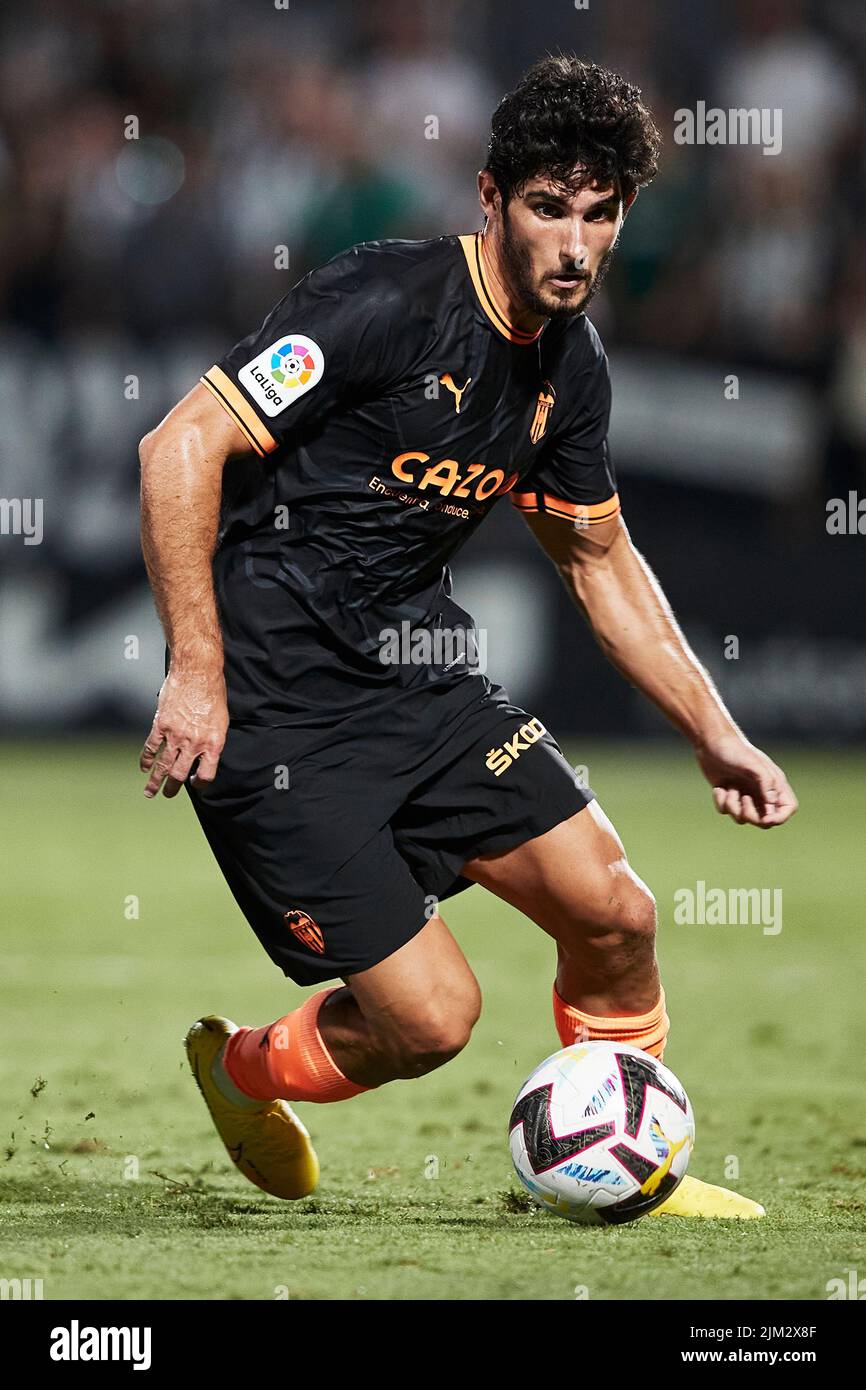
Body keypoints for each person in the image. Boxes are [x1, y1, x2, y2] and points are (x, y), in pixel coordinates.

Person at [138, 56, 797, 1218]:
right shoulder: (383, 299)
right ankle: (242, 1067)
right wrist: (196, 671)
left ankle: (638, 1165)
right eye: (549, 208)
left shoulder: (571, 368)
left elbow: (596, 560)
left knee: (617, 913)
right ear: (490, 199)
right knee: (430, 1021)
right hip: (275, 708)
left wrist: (714, 730)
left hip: (417, 681)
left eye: (600, 216)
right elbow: (178, 448)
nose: (574, 246)